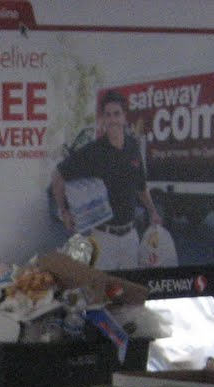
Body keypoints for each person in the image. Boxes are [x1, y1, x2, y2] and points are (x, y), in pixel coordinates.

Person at [50, 91, 161, 272]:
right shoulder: (94, 151)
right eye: (107, 115)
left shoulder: (133, 147)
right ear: (102, 119)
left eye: (116, 114)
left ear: (124, 117)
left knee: (130, 290)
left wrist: (153, 211)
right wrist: (64, 211)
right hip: (103, 238)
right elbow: (58, 175)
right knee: (102, 291)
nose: (112, 119)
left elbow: (141, 186)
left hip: (131, 237)